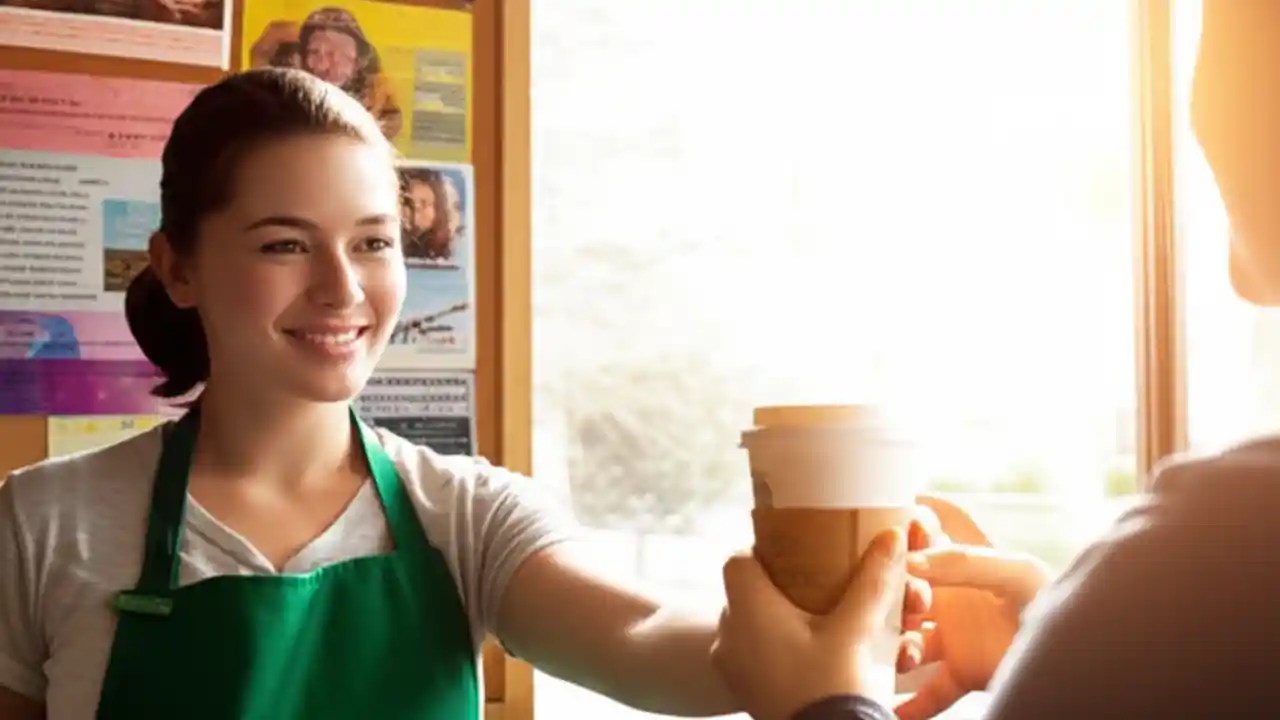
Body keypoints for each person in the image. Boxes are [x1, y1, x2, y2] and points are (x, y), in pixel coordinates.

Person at [0, 68, 754, 718]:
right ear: (177, 269)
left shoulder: (465, 517)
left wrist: (801, 642)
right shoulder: (40, 526)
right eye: (285, 245)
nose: (342, 288)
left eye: (373, 242)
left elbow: (644, 635)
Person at [713, 2, 1280, 718]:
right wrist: (1075, 662)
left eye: (1239, 195)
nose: (1241, 279)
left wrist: (823, 706)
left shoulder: (1213, 568)